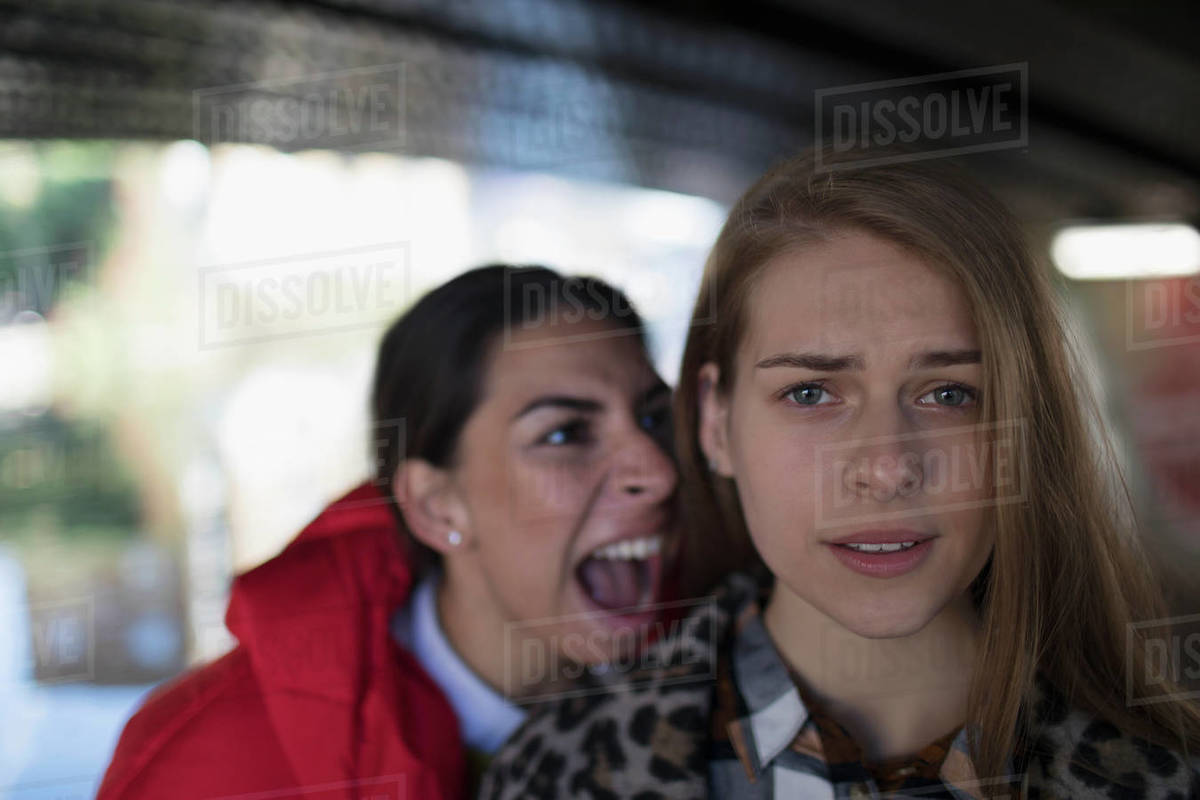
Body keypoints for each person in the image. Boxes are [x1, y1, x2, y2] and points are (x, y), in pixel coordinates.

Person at [478, 154, 1200, 799]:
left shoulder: (1169, 770)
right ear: (714, 424)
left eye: (949, 394)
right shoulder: (555, 774)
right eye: (810, 394)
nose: (886, 469)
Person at [97, 264, 681, 800]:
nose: (657, 472)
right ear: (437, 508)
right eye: (564, 435)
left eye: (655, 419)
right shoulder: (203, 766)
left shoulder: (732, 666)